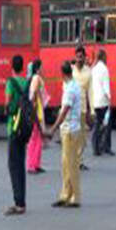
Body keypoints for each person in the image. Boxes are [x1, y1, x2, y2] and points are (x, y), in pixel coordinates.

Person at [47, 61, 85, 208]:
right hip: (70, 129)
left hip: (70, 130)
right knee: (66, 164)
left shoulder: (70, 89)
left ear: (62, 74)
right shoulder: (72, 85)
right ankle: (66, 194)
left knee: (71, 164)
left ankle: (75, 196)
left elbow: (64, 112)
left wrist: (53, 128)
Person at [3, 55, 35, 216]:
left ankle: (19, 203)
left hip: (14, 127)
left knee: (13, 165)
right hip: (24, 128)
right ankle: (22, 201)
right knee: (21, 164)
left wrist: (7, 110)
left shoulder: (10, 82)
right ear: (22, 67)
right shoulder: (26, 83)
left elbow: (8, 103)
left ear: (12, 66)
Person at [71, 46, 94, 170]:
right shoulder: (71, 71)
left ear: (85, 58)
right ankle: (76, 161)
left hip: (83, 109)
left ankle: (78, 160)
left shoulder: (88, 72)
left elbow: (90, 92)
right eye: (77, 57)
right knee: (73, 135)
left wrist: (93, 110)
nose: (79, 59)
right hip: (71, 109)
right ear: (75, 57)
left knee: (83, 138)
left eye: (81, 57)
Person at [26, 59, 50, 174]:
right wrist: (35, 108)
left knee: (38, 138)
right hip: (36, 111)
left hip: (38, 110)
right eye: (41, 67)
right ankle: (31, 165)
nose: (43, 69)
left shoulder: (37, 78)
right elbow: (34, 93)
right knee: (34, 138)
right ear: (37, 68)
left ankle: (36, 164)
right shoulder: (36, 78)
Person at [90, 49, 113, 156]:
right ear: (103, 57)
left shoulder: (93, 69)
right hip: (103, 101)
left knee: (96, 124)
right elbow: (105, 86)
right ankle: (106, 147)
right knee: (106, 124)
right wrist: (109, 98)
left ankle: (96, 147)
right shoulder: (104, 69)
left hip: (95, 100)